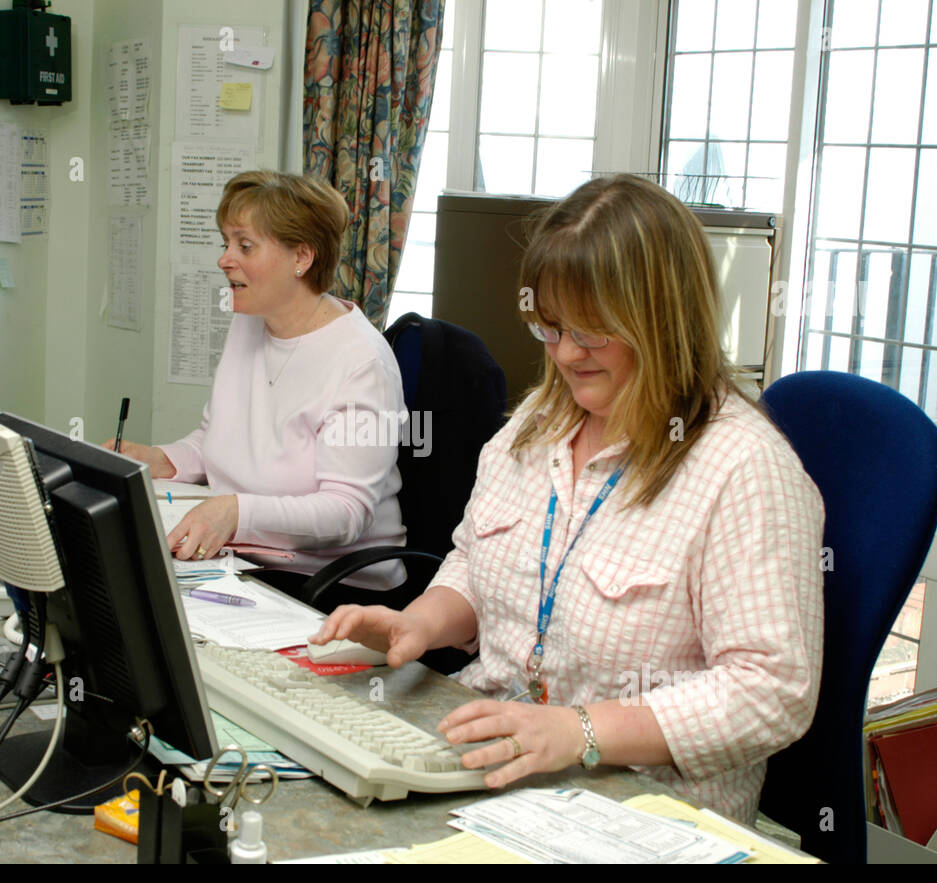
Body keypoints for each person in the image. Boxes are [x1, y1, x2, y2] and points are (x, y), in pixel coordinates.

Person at [313, 175, 825, 823]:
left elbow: (772, 693)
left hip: (641, 810)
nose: (567, 355)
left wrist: (582, 731)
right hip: (500, 764)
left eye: (592, 333)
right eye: (550, 329)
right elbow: (476, 560)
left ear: (663, 321)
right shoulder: (539, 423)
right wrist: (423, 620)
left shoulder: (744, 469)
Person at [113, 170, 406, 600]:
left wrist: (235, 511)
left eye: (244, 245)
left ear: (301, 257)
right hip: (245, 562)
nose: (224, 259)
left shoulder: (360, 362)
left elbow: (347, 513)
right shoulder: (250, 323)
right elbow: (218, 439)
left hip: (333, 586)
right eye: (225, 243)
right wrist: (160, 461)